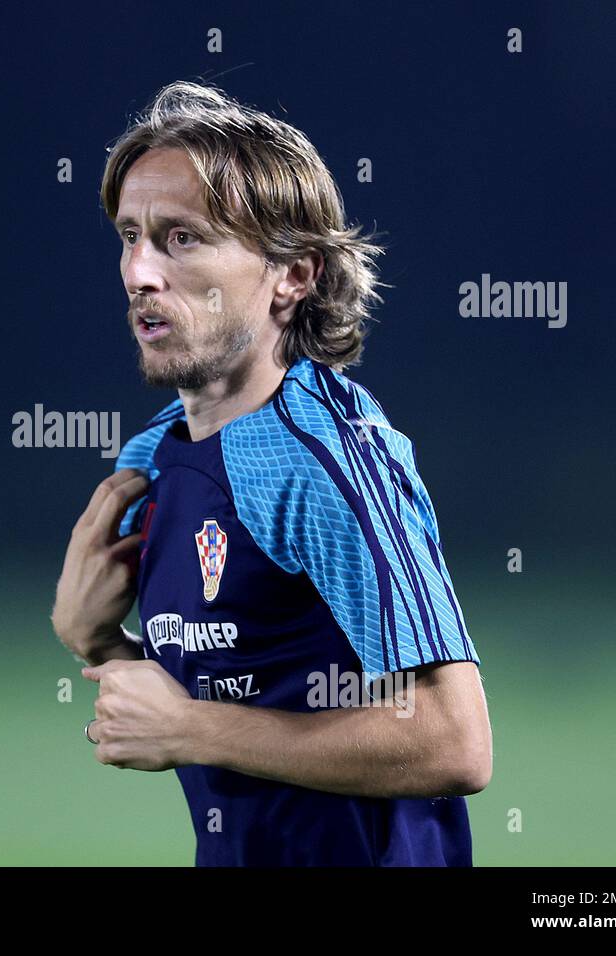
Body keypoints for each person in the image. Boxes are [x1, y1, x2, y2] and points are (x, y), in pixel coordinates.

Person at [52, 81, 492, 866]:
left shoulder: (328, 461)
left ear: (293, 275)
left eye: (182, 238)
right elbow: (233, 707)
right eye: (130, 235)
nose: (139, 272)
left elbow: (453, 744)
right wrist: (97, 641)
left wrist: (191, 728)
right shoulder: (154, 458)